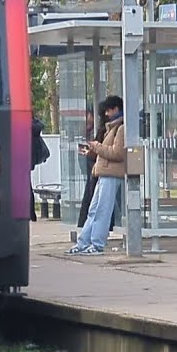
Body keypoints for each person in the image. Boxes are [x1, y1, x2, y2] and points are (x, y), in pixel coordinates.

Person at [67, 96, 124, 255]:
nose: (106, 113)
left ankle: (97, 243)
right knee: (94, 210)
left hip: (111, 173)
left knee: (102, 210)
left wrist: (98, 147)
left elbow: (118, 153)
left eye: (108, 110)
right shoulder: (112, 128)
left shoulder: (121, 129)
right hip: (104, 172)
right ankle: (84, 241)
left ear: (116, 109)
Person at [29, 115, 49, 221]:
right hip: (28, 159)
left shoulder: (27, 126)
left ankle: (30, 213)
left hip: (22, 158)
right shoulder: (35, 126)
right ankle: (31, 213)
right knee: (27, 186)